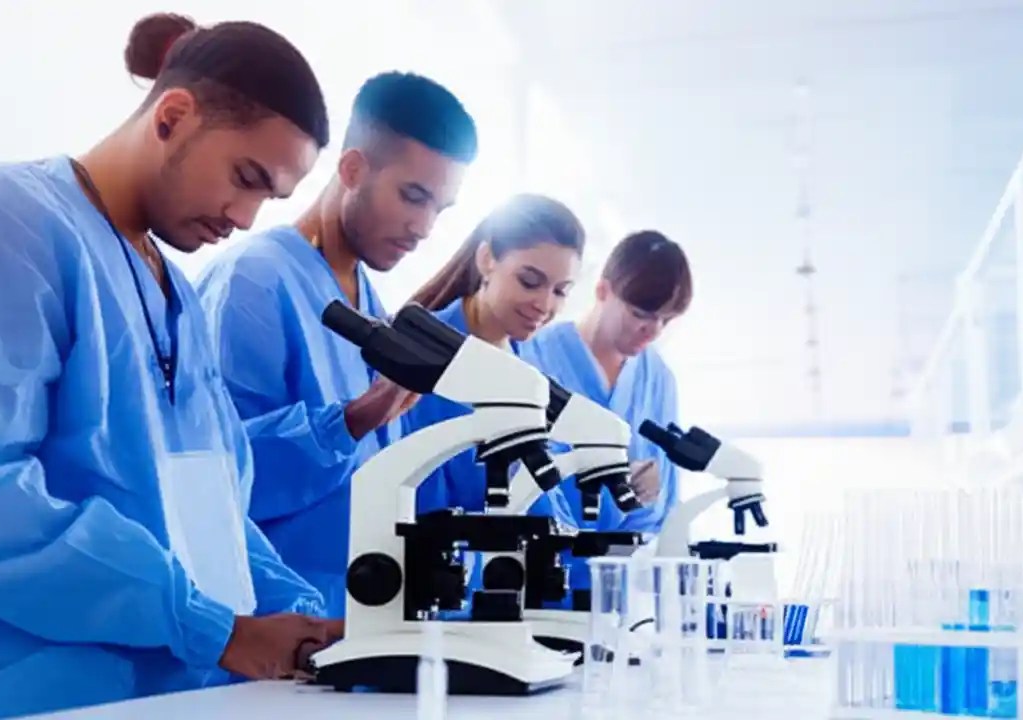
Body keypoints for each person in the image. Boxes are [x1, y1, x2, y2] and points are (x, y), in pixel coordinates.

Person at [0, 14, 340, 719]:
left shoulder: (173, 289)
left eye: (270, 198)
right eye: (246, 178)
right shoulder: (11, 216)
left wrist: (305, 622)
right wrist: (214, 629)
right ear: (173, 115)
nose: (246, 217)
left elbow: (215, 514)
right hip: (28, 693)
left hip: (174, 695)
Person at [195, 71, 478, 616]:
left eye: (439, 210)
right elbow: (217, 476)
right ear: (352, 169)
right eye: (412, 197)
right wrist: (351, 419)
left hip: (355, 619)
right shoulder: (255, 282)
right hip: (272, 626)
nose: (423, 228)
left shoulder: (372, 304)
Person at [405, 193, 586, 515]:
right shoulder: (421, 352)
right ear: (487, 259)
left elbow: (545, 490)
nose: (544, 306)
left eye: (560, 291)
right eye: (529, 282)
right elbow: (419, 498)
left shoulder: (534, 367)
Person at [522, 230, 693, 536]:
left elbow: (665, 508)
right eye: (641, 314)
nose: (652, 331)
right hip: (542, 563)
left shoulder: (658, 379)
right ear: (603, 291)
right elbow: (517, 478)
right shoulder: (535, 355)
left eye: (666, 320)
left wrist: (651, 492)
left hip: (626, 572)